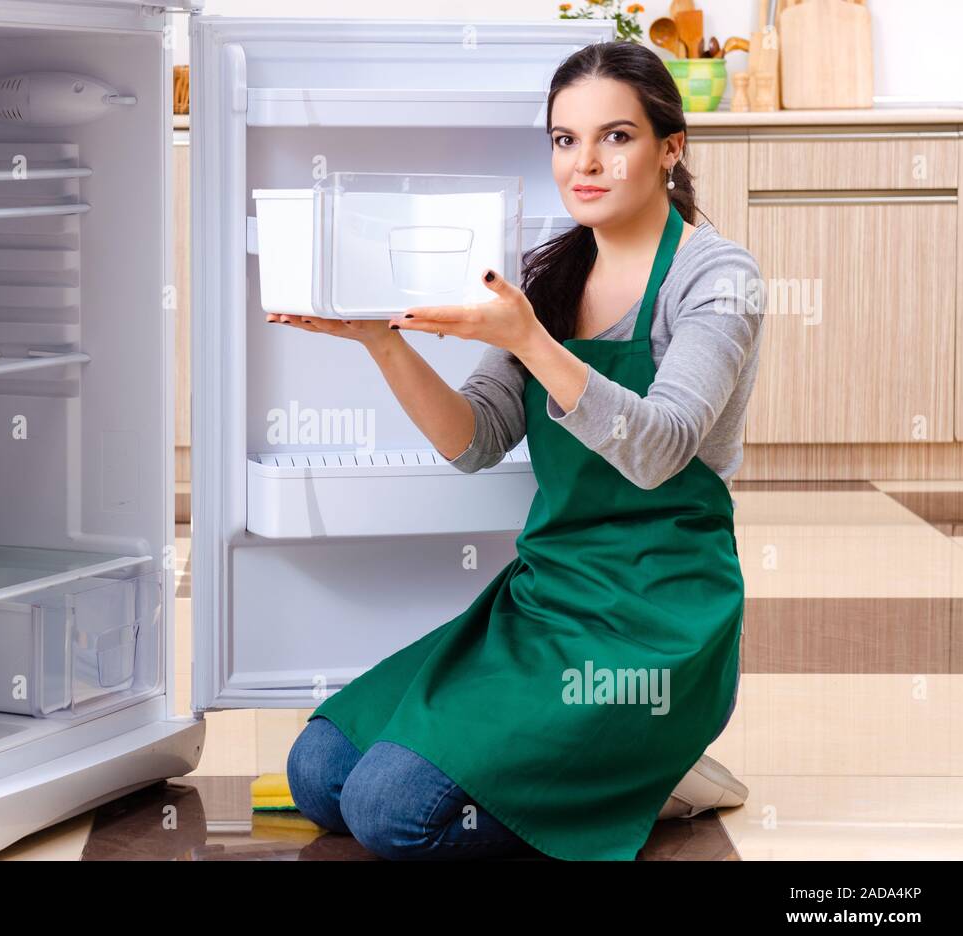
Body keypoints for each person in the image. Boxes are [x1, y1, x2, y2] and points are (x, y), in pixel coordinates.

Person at [273, 40, 764, 861]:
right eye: (565, 140)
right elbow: (473, 440)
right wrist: (379, 341)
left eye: (616, 137)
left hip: (656, 622)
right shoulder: (549, 273)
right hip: (548, 597)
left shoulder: (718, 278)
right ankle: (632, 772)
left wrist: (533, 340)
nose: (586, 163)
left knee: (394, 813)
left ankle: (653, 770)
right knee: (319, 769)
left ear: (670, 148)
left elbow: (662, 447)